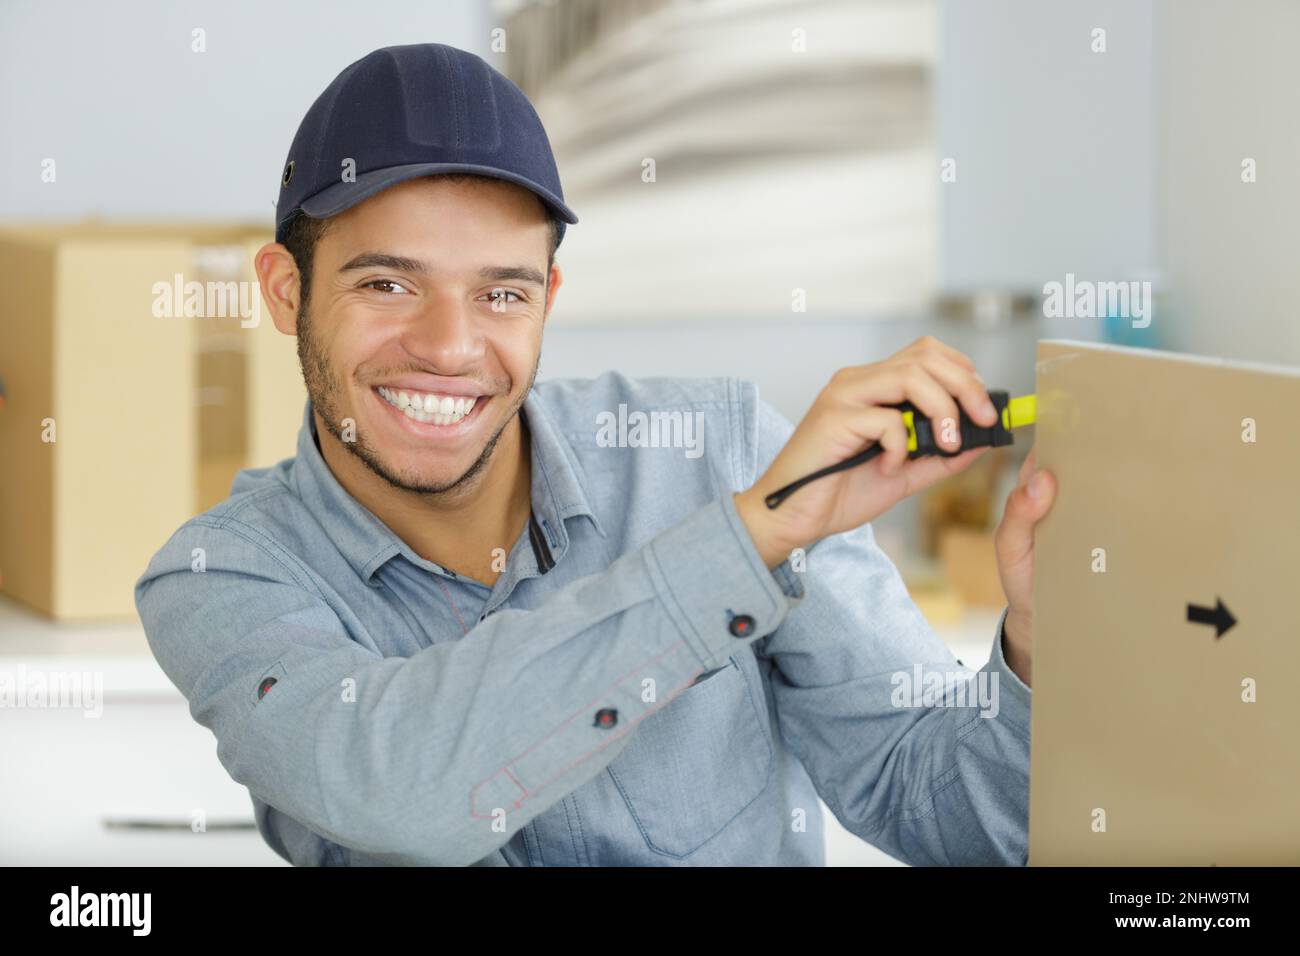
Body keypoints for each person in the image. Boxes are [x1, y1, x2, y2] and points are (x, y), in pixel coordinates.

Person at [135, 43, 1056, 866]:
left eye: (502, 294)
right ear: (286, 291)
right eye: (387, 283)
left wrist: (1039, 652)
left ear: (549, 295)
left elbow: (945, 811)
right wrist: (742, 550)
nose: (451, 348)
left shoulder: (721, 454)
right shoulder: (224, 578)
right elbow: (401, 790)